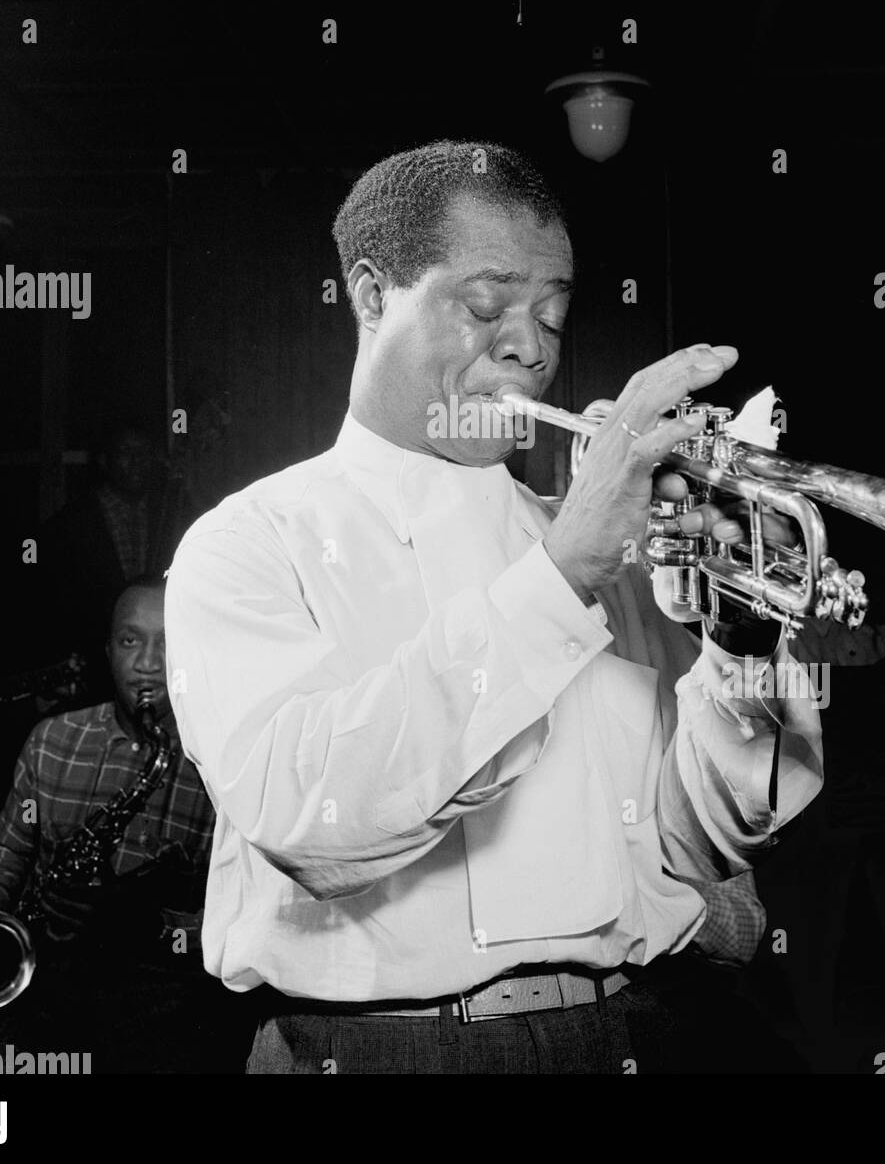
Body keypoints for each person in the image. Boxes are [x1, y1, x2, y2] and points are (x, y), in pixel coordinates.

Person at [165, 139, 824, 1074]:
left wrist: (742, 639)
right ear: (368, 296)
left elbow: (701, 841)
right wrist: (562, 575)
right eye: (485, 306)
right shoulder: (248, 540)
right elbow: (312, 820)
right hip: (369, 1053)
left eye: (553, 314)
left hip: (637, 1030)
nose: (529, 346)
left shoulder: (605, 551)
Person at [0, 576, 237, 1073]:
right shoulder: (52, 741)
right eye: (130, 641)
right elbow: (7, 857)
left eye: (166, 643)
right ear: (107, 650)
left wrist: (144, 926)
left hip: (161, 1003)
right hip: (45, 986)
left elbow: (232, 928)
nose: (148, 663)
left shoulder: (225, 766)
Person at [40, 423, 187, 674]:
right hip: (93, 664)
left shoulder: (170, 516)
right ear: (104, 461)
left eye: (143, 453)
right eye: (125, 453)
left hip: (156, 659)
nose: (136, 461)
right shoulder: (71, 523)